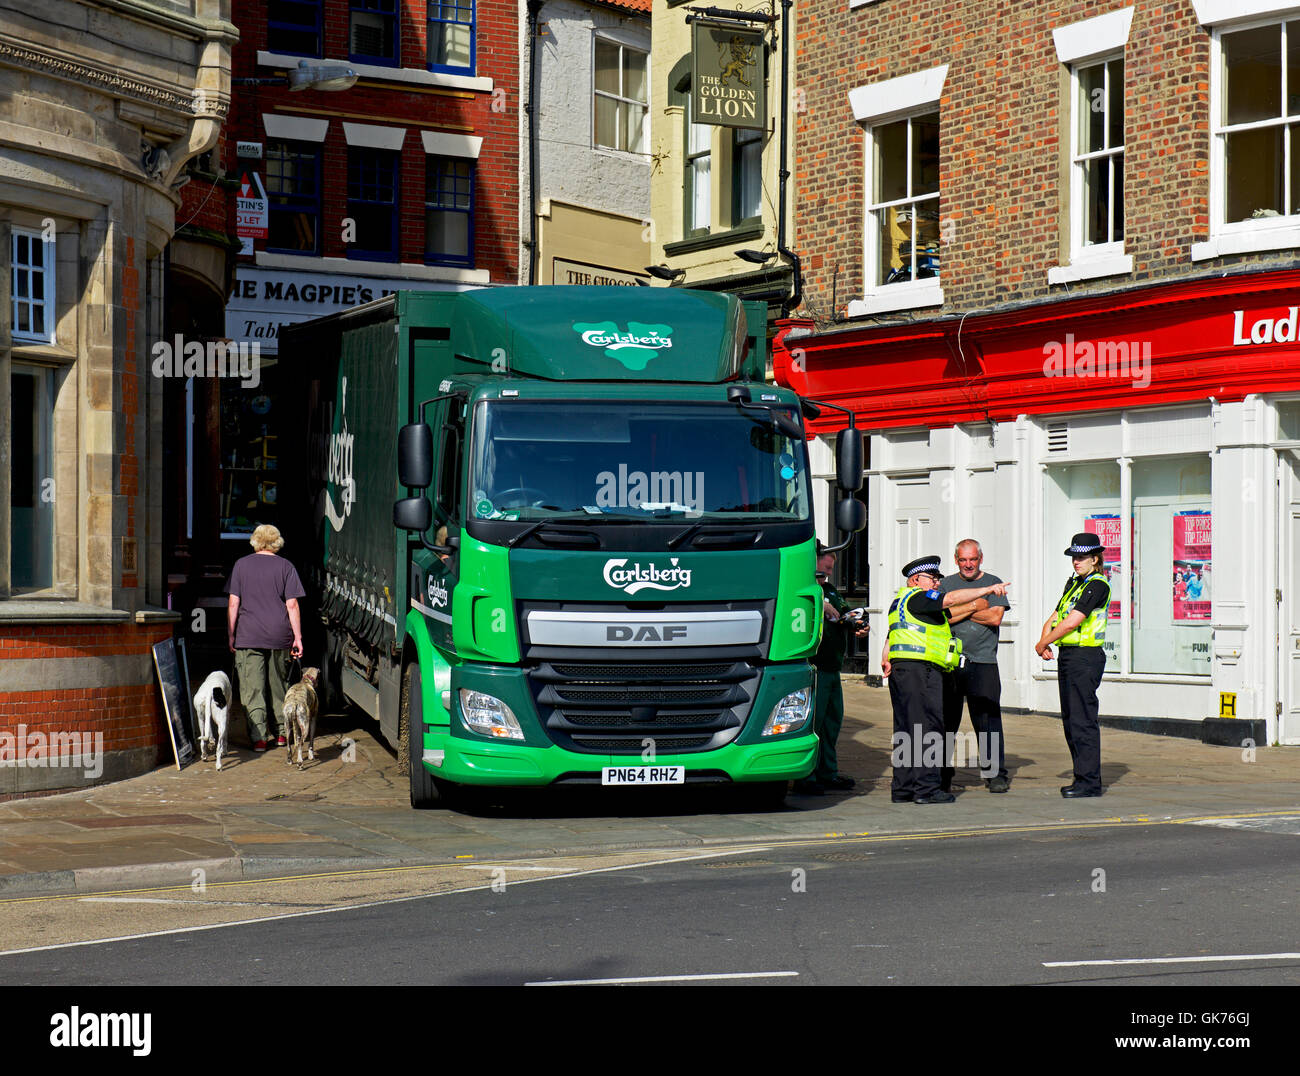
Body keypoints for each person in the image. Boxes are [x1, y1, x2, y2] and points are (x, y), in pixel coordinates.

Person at [881, 555, 1010, 804]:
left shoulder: (901, 601)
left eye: (939, 578)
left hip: (902, 671)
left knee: (906, 729)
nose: (938, 583)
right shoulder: (920, 596)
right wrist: (986, 590)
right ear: (916, 580)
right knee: (928, 728)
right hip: (921, 672)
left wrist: (885, 656)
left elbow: (892, 634)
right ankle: (927, 789)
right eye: (933, 578)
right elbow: (950, 600)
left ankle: (904, 788)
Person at [1036, 532, 1110, 798]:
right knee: (1070, 719)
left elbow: (1073, 621)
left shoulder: (1097, 585)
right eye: (1073, 557)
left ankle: (1089, 782)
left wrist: (1044, 643)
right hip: (1069, 655)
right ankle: (1081, 776)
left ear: (1094, 558)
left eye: (1081, 557)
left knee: (1082, 720)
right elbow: (1057, 614)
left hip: (1085, 657)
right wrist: (1044, 639)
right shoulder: (1074, 583)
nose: (1076, 562)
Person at [794, 542, 869, 795]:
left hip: (831, 667)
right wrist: (819, 603)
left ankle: (828, 772)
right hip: (813, 667)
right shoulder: (803, 589)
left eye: (828, 572)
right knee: (812, 724)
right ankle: (807, 776)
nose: (826, 577)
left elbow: (844, 613)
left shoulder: (830, 589)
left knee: (831, 723)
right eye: (822, 571)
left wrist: (856, 623)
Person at [939, 539, 1011, 793]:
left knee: (988, 720)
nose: (968, 564)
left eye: (973, 559)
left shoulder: (993, 581)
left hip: (984, 661)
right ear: (955, 560)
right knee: (947, 721)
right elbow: (942, 617)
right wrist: (975, 605)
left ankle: (995, 775)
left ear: (981, 558)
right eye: (963, 560)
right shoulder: (946, 584)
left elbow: (995, 617)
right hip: (950, 663)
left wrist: (959, 609)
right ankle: (942, 775)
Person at [226, 524, 305, 752]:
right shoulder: (286, 567)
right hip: (279, 635)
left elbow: (233, 603)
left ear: (255, 541)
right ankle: (282, 734)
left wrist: (231, 634)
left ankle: (259, 737)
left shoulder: (241, 565)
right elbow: (292, 604)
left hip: (248, 635)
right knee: (279, 685)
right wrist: (297, 637)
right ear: (276, 542)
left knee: (253, 688)